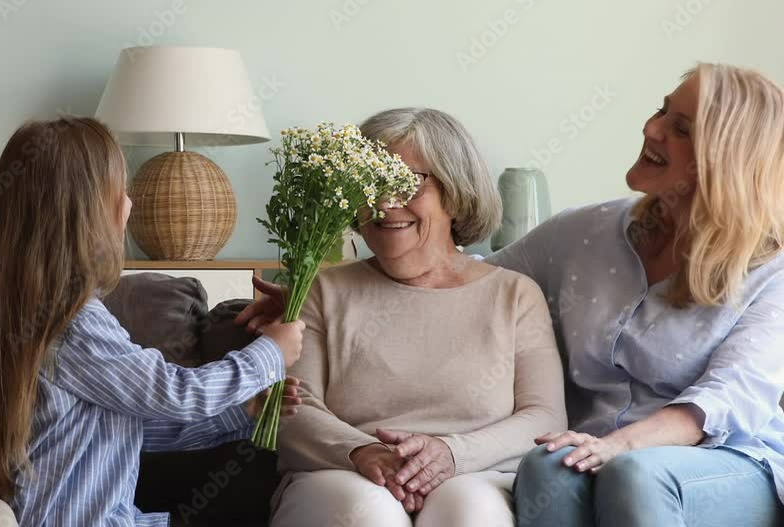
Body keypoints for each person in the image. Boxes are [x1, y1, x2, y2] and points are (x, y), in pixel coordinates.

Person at [0, 116, 306, 526]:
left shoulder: (31, 311)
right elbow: (176, 394)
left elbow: (126, 425)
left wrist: (244, 410)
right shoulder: (74, 323)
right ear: (85, 214)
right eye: (120, 190)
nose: (130, 204)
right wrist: (271, 353)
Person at [490, 63, 784, 526]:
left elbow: (730, 396)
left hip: (730, 459)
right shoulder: (586, 231)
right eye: (661, 112)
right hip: (603, 449)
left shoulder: (771, 271)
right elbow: (480, 284)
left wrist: (622, 445)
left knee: (637, 473)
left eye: (681, 128)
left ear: (723, 159)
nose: (651, 129)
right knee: (549, 466)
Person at [266, 108, 566, 527]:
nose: (385, 203)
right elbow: (292, 409)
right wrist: (363, 451)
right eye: (371, 184)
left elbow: (544, 417)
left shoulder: (515, 295)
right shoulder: (321, 289)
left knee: (469, 511)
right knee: (367, 514)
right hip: (343, 472)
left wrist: (452, 453)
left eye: (407, 183)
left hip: (474, 473)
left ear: (455, 193)